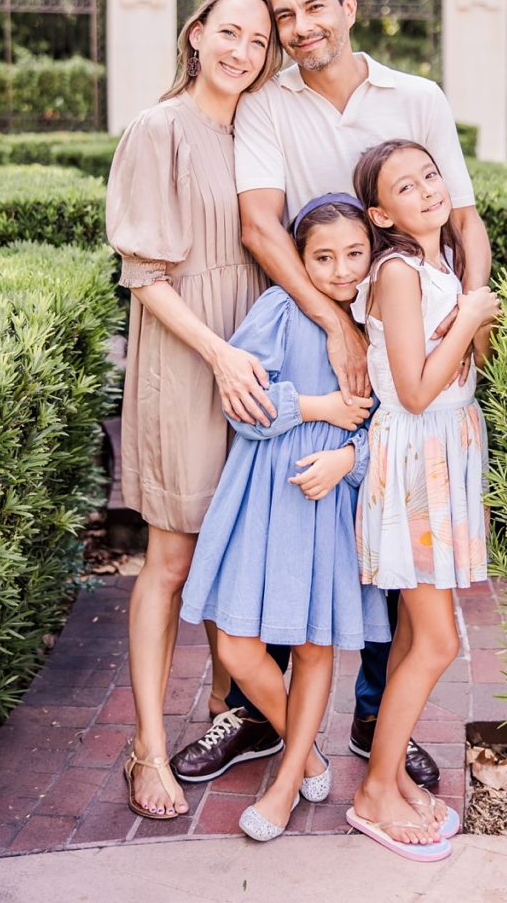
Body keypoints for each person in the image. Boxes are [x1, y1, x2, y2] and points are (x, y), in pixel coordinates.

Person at [171, 0, 491, 790]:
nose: (300, 26)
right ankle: (257, 712)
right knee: (294, 508)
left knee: (388, 521)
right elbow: (261, 225)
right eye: (285, 15)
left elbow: (464, 218)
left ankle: (377, 719)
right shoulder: (265, 105)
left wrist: (469, 310)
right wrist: (331, 323)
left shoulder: (417, 97)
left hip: (405, 328)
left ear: (349, 7)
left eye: (315, 7)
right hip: (312, 327)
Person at [106, 0, 282, 820]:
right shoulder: (160, 129)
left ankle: (223, 712)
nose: (242, 51)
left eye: (259, 41)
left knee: (234, 552)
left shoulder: (257, 130)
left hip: (253, 361)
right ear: (196, 33)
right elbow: (144, 275)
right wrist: (218, 354)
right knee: (172, 560)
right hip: (188, 361)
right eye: (230, 32)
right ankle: (146, 744)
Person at [180, 196, 388, 841]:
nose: (341, 270)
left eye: (354, 254)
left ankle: (286, 778)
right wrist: (319, 407)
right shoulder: (279, 308)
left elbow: (394, 425)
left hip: (326, 503)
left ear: (372, 253)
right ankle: (312, 755)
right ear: (299, 260)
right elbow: (240, 405)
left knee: (313, 643)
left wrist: (348, 459)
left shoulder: (382, 320)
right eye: (322, 257)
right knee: (238, 642)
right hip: (264, 495)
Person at [345, 138, 499, 861]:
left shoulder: (445, 265)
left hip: (450, 448)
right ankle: (375, 792)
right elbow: (410, 390)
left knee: (412, 636)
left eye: (431, 175)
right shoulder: (398, 272)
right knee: (438, 641)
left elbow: (469, 365)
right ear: (381, 214)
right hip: (415, 461)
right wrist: (469, 316)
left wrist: (471, 316)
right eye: (405, 186)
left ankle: (391, 776)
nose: (428, 189)